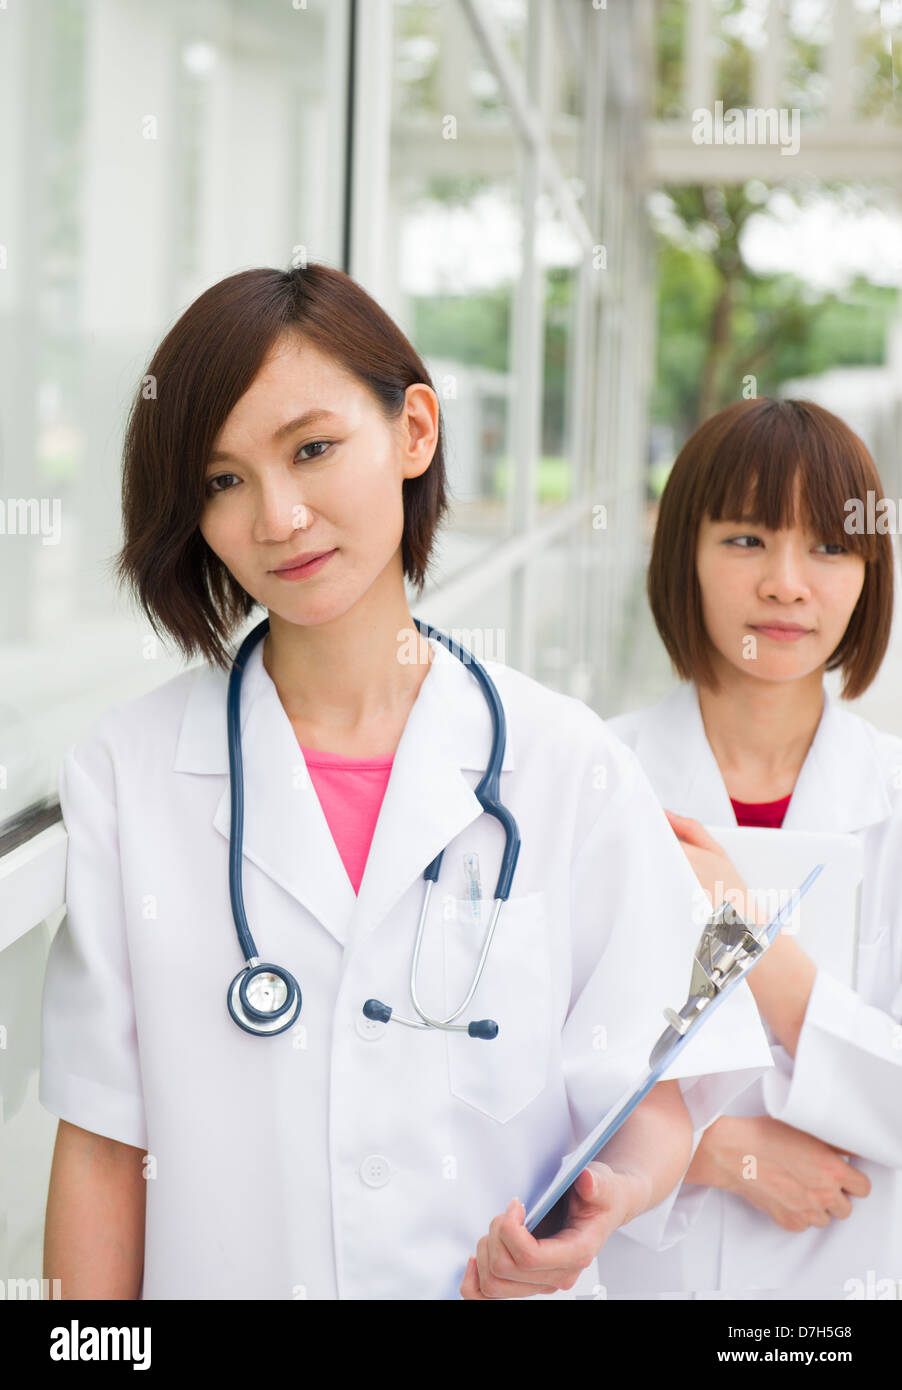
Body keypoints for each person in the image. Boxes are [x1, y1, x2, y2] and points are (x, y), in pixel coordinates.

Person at [39, 263, 771, 1301]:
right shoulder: (130, 772)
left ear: (413, 432)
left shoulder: (563, 764)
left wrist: (614, 1190)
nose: (278, 515)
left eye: (313, 449)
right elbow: (103, 1144)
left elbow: (646, 1084)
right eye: (222, 480)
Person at [602, 396, 902, 1299]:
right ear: (681, 555)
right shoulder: (589, 779)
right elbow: (509, 1074)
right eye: (744, 540)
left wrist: (754, 946)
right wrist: (701, 1150)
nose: (786, 583)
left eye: (829, 547)